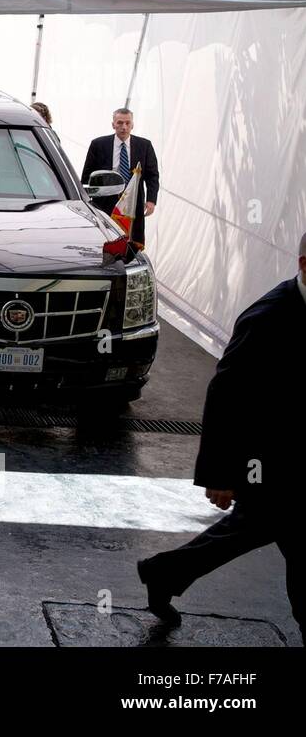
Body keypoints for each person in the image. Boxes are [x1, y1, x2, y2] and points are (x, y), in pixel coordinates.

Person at [136, 232, 305, 631]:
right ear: (303, 266)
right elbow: (225, 396)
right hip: (266, 463)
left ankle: (166, 572)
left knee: (247, 530)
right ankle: (165, 572)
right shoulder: (268, 318)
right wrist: (220, 474)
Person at [80, 109, 159, 229]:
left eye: (127, 123)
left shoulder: (144, 146)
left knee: (130, 242)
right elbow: (87, 176)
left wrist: (151, 201)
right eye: (120, 123)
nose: (124, 127)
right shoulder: (98, 145)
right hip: (104, 204)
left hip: (133, 203)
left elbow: (152, 176)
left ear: (132, 125)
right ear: (113, 125)